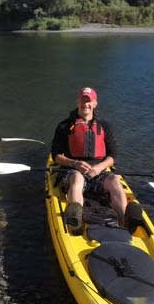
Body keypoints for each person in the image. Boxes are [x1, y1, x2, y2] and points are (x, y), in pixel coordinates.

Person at [50, 87, 136, 234]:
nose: (86, 104)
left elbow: (112, 156)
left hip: (98, 172)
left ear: (95, 103)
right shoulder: (64, 126)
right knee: (77, 178)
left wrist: (99, 168)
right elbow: (56, 156)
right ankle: (76, 223)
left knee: (115, 179)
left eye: (89, 101)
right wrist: (75, 163)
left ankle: (124, 221)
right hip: (73, 171)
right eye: (83, 100)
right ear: (78, 102)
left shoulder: (104, 126)